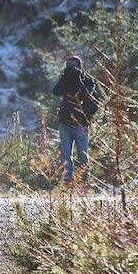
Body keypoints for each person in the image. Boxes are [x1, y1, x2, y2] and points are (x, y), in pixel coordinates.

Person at [52, 55, 99, 183]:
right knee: (65, 156)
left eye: (73, 65)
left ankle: (85, 182)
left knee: (83, 156)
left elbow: (87, 95)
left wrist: (77, 77)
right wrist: (66, 76)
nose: (70, 68)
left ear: (79, 66)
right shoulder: (65, 79)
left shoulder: (88, 80)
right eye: (68, 65)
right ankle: (67, 181)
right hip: (65, 123)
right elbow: (56, 91)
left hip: (81, 124)